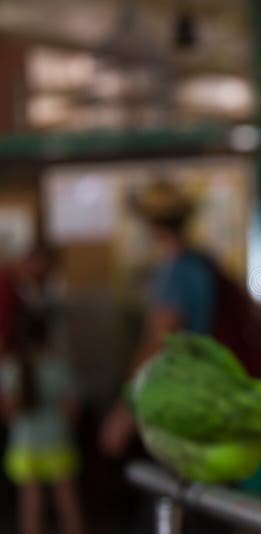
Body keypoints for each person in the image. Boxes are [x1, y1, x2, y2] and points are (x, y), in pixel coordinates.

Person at [99, 181, 218, 457]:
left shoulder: (173, 272)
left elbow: (158, 342)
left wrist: (124, 412)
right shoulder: (200, 265)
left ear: (152, 225)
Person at [0, 311, 83, 534]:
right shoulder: (58, 366)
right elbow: (71, 410)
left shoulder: (9, 368)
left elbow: (9, 412)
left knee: (30, 508)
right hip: (57, 440)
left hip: (25, 443)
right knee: (66, 504)